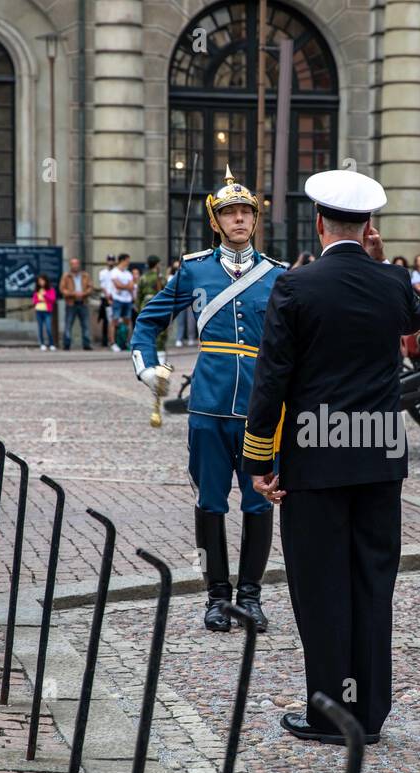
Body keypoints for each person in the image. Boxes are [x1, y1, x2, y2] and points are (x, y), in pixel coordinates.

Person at [242, 168, 420, 746]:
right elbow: (416, 324)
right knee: (373, 582)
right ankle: (369, 712)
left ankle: (329, 712)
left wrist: (258, 457)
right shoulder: (393, 282)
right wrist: (384, 260)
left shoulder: (295, 287)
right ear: (369, 225)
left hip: (316, 455)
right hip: (377, 454)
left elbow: (272, 380)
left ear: (317, 223)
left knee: (321, 586)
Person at [132, 167, 286, 632]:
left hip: (260, 412)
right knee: (211, 504)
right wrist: (147, 367)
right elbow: (146, 322)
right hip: (208, 407)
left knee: (258, 504)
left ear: (255, 221)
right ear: (215, 222)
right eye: (229, 213)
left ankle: (252, 598)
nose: (239, 219)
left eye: (246, 212)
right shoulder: (194, 269)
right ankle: (217, 598)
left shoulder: (278, 275)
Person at [60, 257, 93, 351]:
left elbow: (90, 287)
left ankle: (86, 344)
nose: (75, 266)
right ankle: (66, 344)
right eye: (73, 264)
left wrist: (84, 293)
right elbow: (62, 289)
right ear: (70, 265)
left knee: (85, 324)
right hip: (71, 302)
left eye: (76, 263)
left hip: (83, 302)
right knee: (68, 324)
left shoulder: (85, 275)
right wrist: (73, 294)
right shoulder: (66, 276)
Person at [109, 253, 135, 350]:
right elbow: (117, 285)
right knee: (114, 320)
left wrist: (124, 287)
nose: (128, 262)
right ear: (122, 260)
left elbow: (132, 286)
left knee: (127, 321)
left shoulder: (128, 273)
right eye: (127, 260)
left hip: (127, 300)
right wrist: (126, 286)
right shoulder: (114, 272)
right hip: (117, 299)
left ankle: (125, 342)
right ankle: (113, 343)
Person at [32, 274, 56, 351]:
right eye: (39, 281)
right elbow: (34, 300)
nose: (41, 282)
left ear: (46, 281)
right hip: (39, 310)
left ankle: (51, 344)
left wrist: (45, 295)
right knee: (40, 328)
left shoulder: (50, 289)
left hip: (47, 311)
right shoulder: (37, 290)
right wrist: (40, 300)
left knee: (48, 328)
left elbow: (52, 299)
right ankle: (42, 344)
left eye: (42, 281)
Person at [97, 254, 116, 348]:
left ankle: (114, 340)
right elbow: (103, 286)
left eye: (112, 260)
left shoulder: (116, 272)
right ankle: (104, 341)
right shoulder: (103, 272)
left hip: (115, 297)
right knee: (105, 320)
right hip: (105, 298)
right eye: (109, 260)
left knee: (114, 320)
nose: (111, 262)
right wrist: (107, 297)